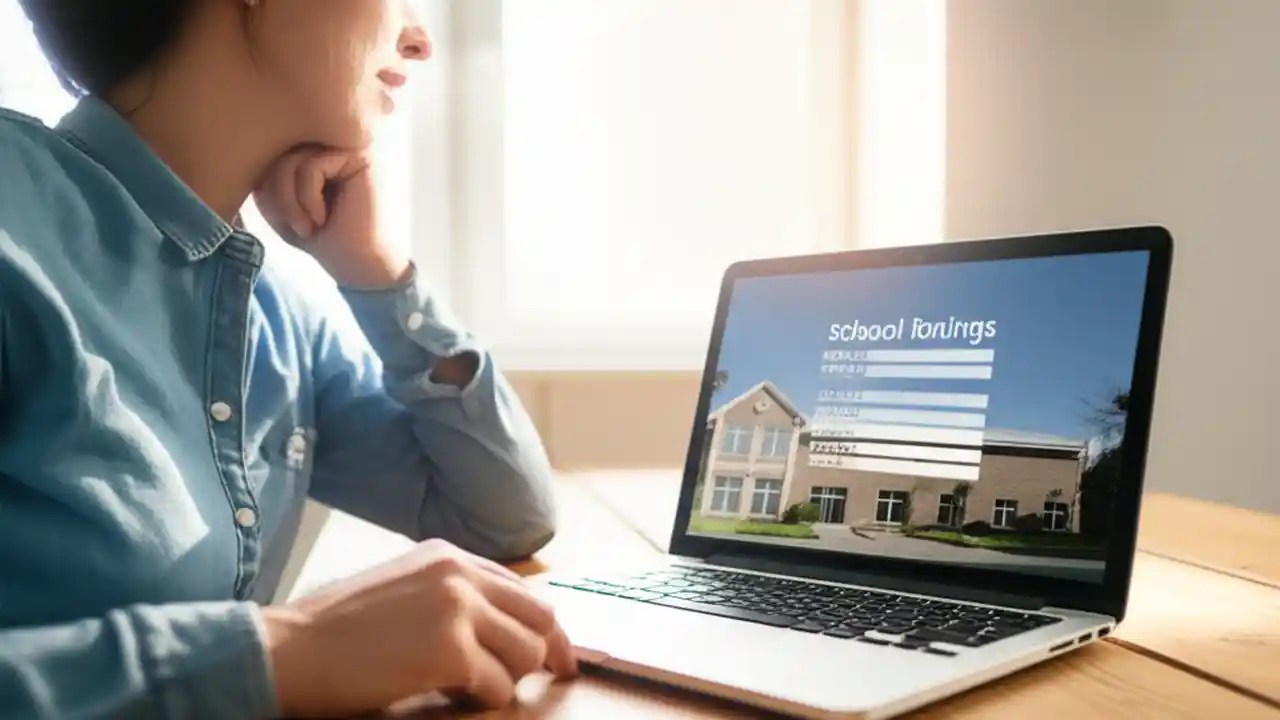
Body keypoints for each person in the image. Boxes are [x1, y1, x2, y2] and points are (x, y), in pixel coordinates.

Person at [0, 0, 577, 717]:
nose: (421, 39)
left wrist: (379, 273)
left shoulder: (275, 314)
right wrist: (285, 650)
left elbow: (504, 516)